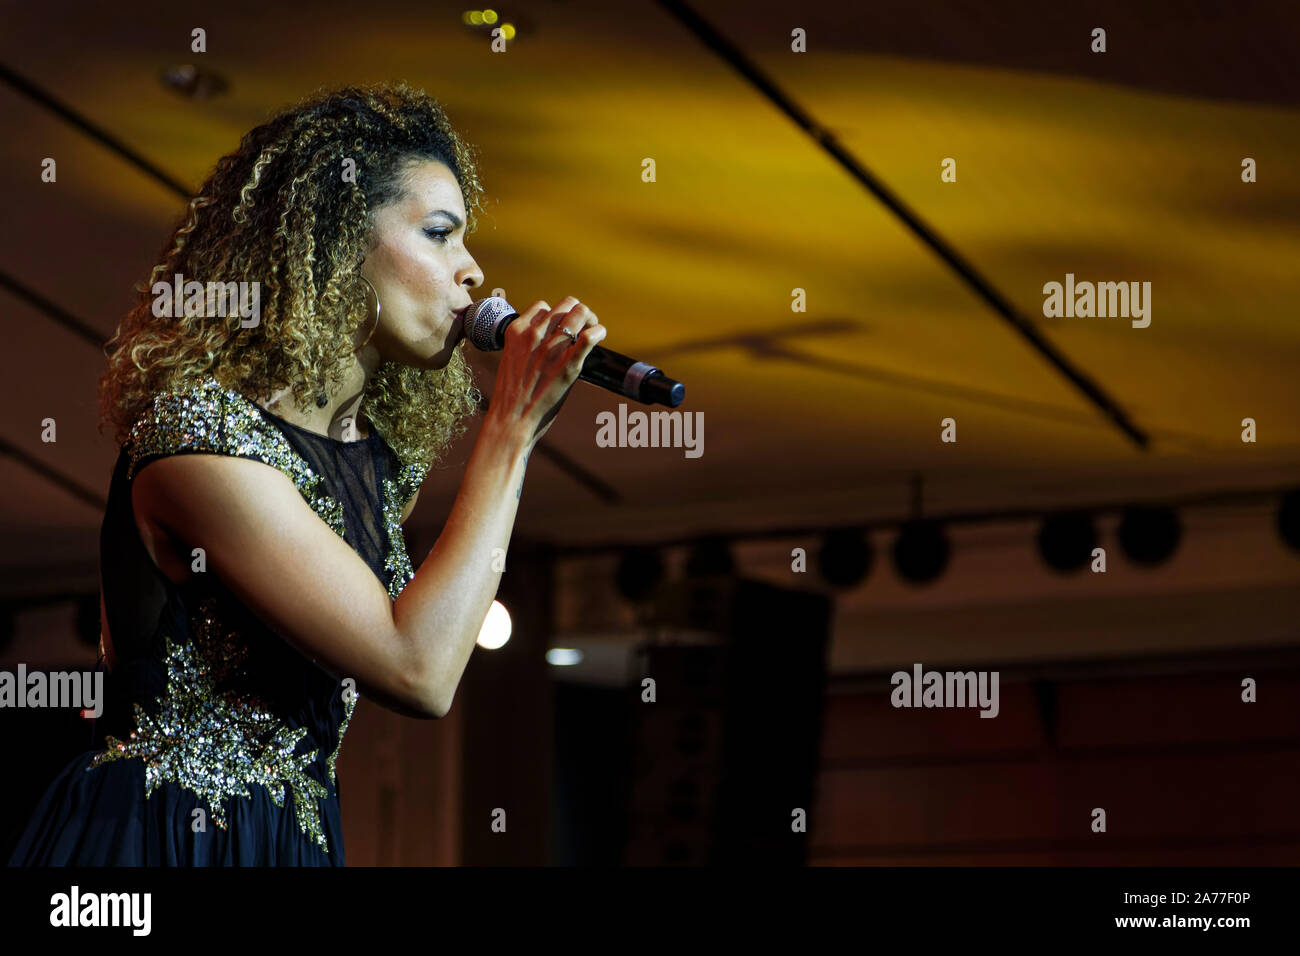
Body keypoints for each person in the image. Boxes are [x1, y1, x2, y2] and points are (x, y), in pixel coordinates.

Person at [7, 82, 605, 865]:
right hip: (162, 837)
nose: (472, 270)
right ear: (334, 242)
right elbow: (418, 669)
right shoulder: (198, 443)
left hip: (292, 837)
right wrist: (513, 428)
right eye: (438, 233)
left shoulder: (377, 462)